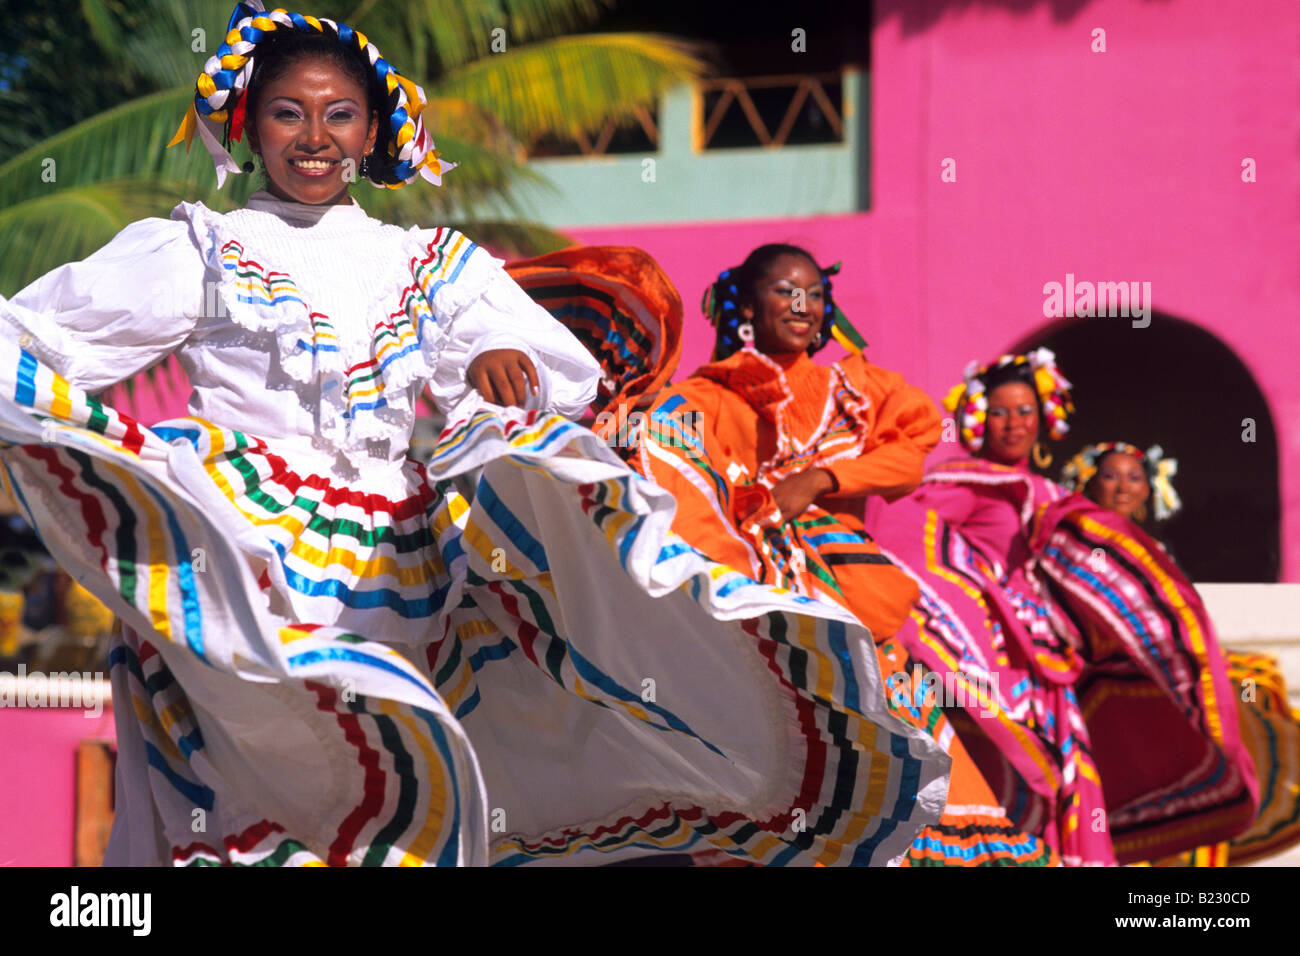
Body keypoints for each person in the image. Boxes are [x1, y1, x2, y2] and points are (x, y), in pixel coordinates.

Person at [0, 2, 951, 866]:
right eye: (289, 112)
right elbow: (40, 337)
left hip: (388, 561)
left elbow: (517, 344)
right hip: (237, 537)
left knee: (389, 775)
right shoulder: (199, 248)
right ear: (250, 125)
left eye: (339, 115)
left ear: (374, 132)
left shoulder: (424, 261)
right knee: (250, 773)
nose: (316, 136)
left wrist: (504, 364)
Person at [634, 245, 1057, 864]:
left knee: (900, 756)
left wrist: (822, 480)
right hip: (762, 610)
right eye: (785, 291)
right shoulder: (707, 397)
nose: (804, 306)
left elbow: (911, 452)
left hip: (853, 612)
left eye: (814, 293)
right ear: (747, 305)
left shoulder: (857, 389)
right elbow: (681, 485)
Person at [866, 351, 1258, 865]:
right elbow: (905, 527)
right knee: (1020, 771)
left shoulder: (1050, 494)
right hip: (999, 657)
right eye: (1002, 412)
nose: (1014, 425)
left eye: (1025, 411)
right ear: (980, 417)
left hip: (1050, 661)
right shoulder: (966, 485)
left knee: (1066, 779)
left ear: (1045, 415)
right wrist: (977, 600)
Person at [1063, 442, 1300, 866]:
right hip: (1100, 681)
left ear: (1148, 491)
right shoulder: (1075, 543)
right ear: (1088, 482)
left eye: (1134, 478)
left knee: (1249, 687)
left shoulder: (1152, 550)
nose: (1122, 488)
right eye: (1111, 476)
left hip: (1159, 675)